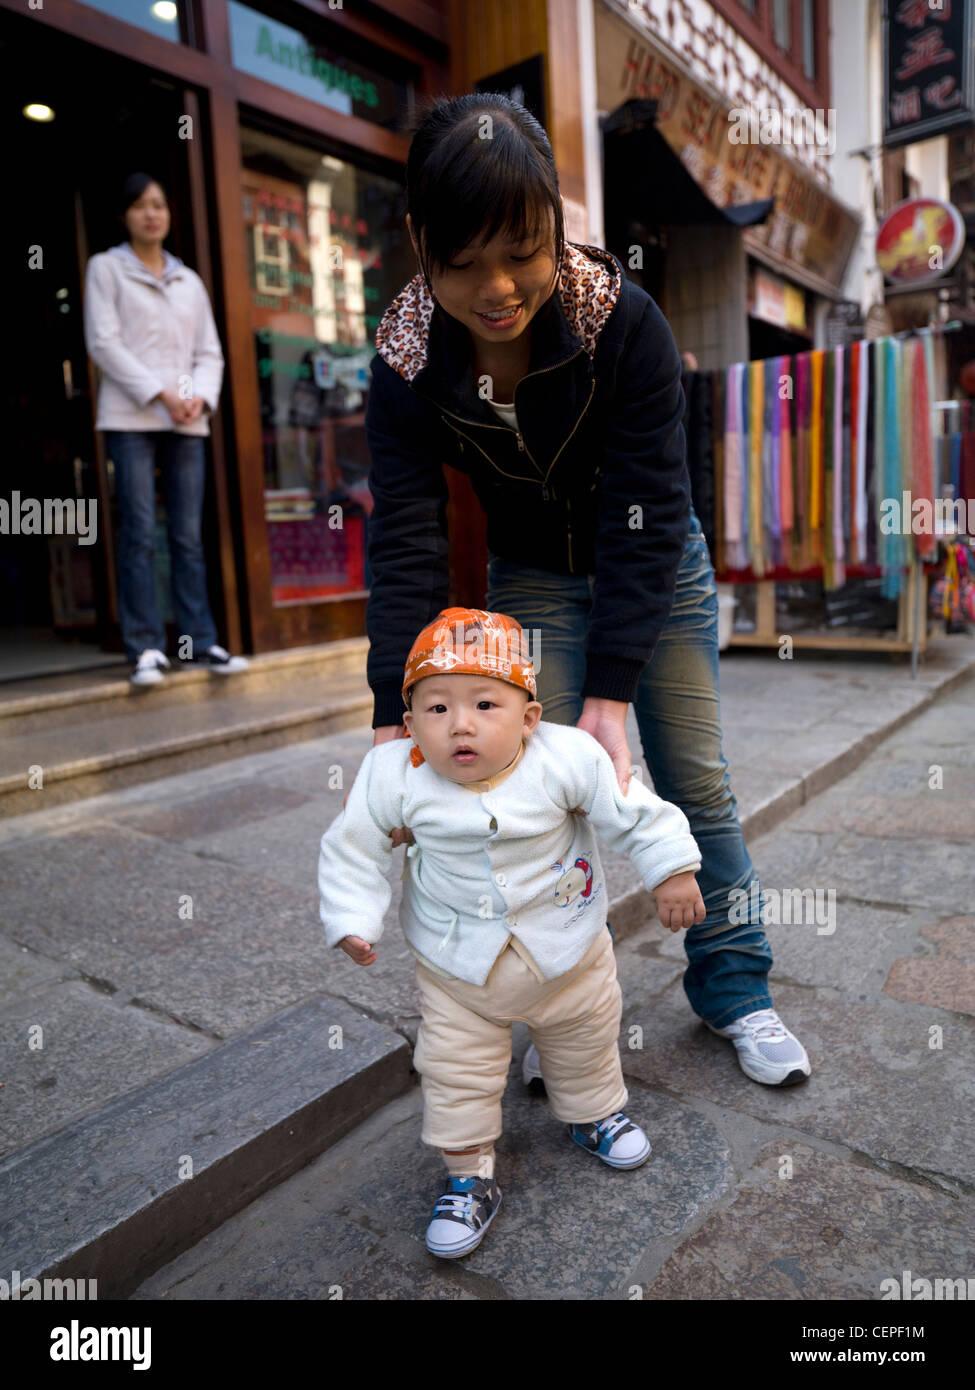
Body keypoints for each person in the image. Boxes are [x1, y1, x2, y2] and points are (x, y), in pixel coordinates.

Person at [362, 93, 811, 1089]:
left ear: (555, 224)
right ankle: (555, 1012)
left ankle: (739, 990)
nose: (498, 288)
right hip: (534, 576)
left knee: (694, 781)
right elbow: (406, 540)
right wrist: (395, 713)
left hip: (660, 562)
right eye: (464, 261)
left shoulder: (624, 323)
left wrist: (612, 697)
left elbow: (648, 505)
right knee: (533, 803)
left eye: (520, 252)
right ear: (418, 242)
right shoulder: (404, 362)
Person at [319, 608, 705, 1258]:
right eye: (436, 709)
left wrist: (671, 871)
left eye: (484, 703)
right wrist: (353, 917)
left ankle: (591, 1115)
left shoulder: (568, 758)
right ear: (408, 724)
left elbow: (633, 813)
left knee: (583, 1040)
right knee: (455, 1071)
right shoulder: (392, 774)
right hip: (456, 969)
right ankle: (468, 1177)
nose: (460, 723)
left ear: (529, 717)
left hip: (569, 950)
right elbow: (352, 846)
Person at [83, 172, 249, 686]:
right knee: (136, 532)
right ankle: (145, 648)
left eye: (159, 204)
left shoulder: (189, 281)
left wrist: (199, 396)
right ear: (124, 215)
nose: (151, 214)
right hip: (131, 415)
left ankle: (199, 641)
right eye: (140, 206)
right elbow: (103, 342)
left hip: (188, 420)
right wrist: (160, 393)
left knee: (187, 535)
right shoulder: (106, 269)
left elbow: (210, 353)